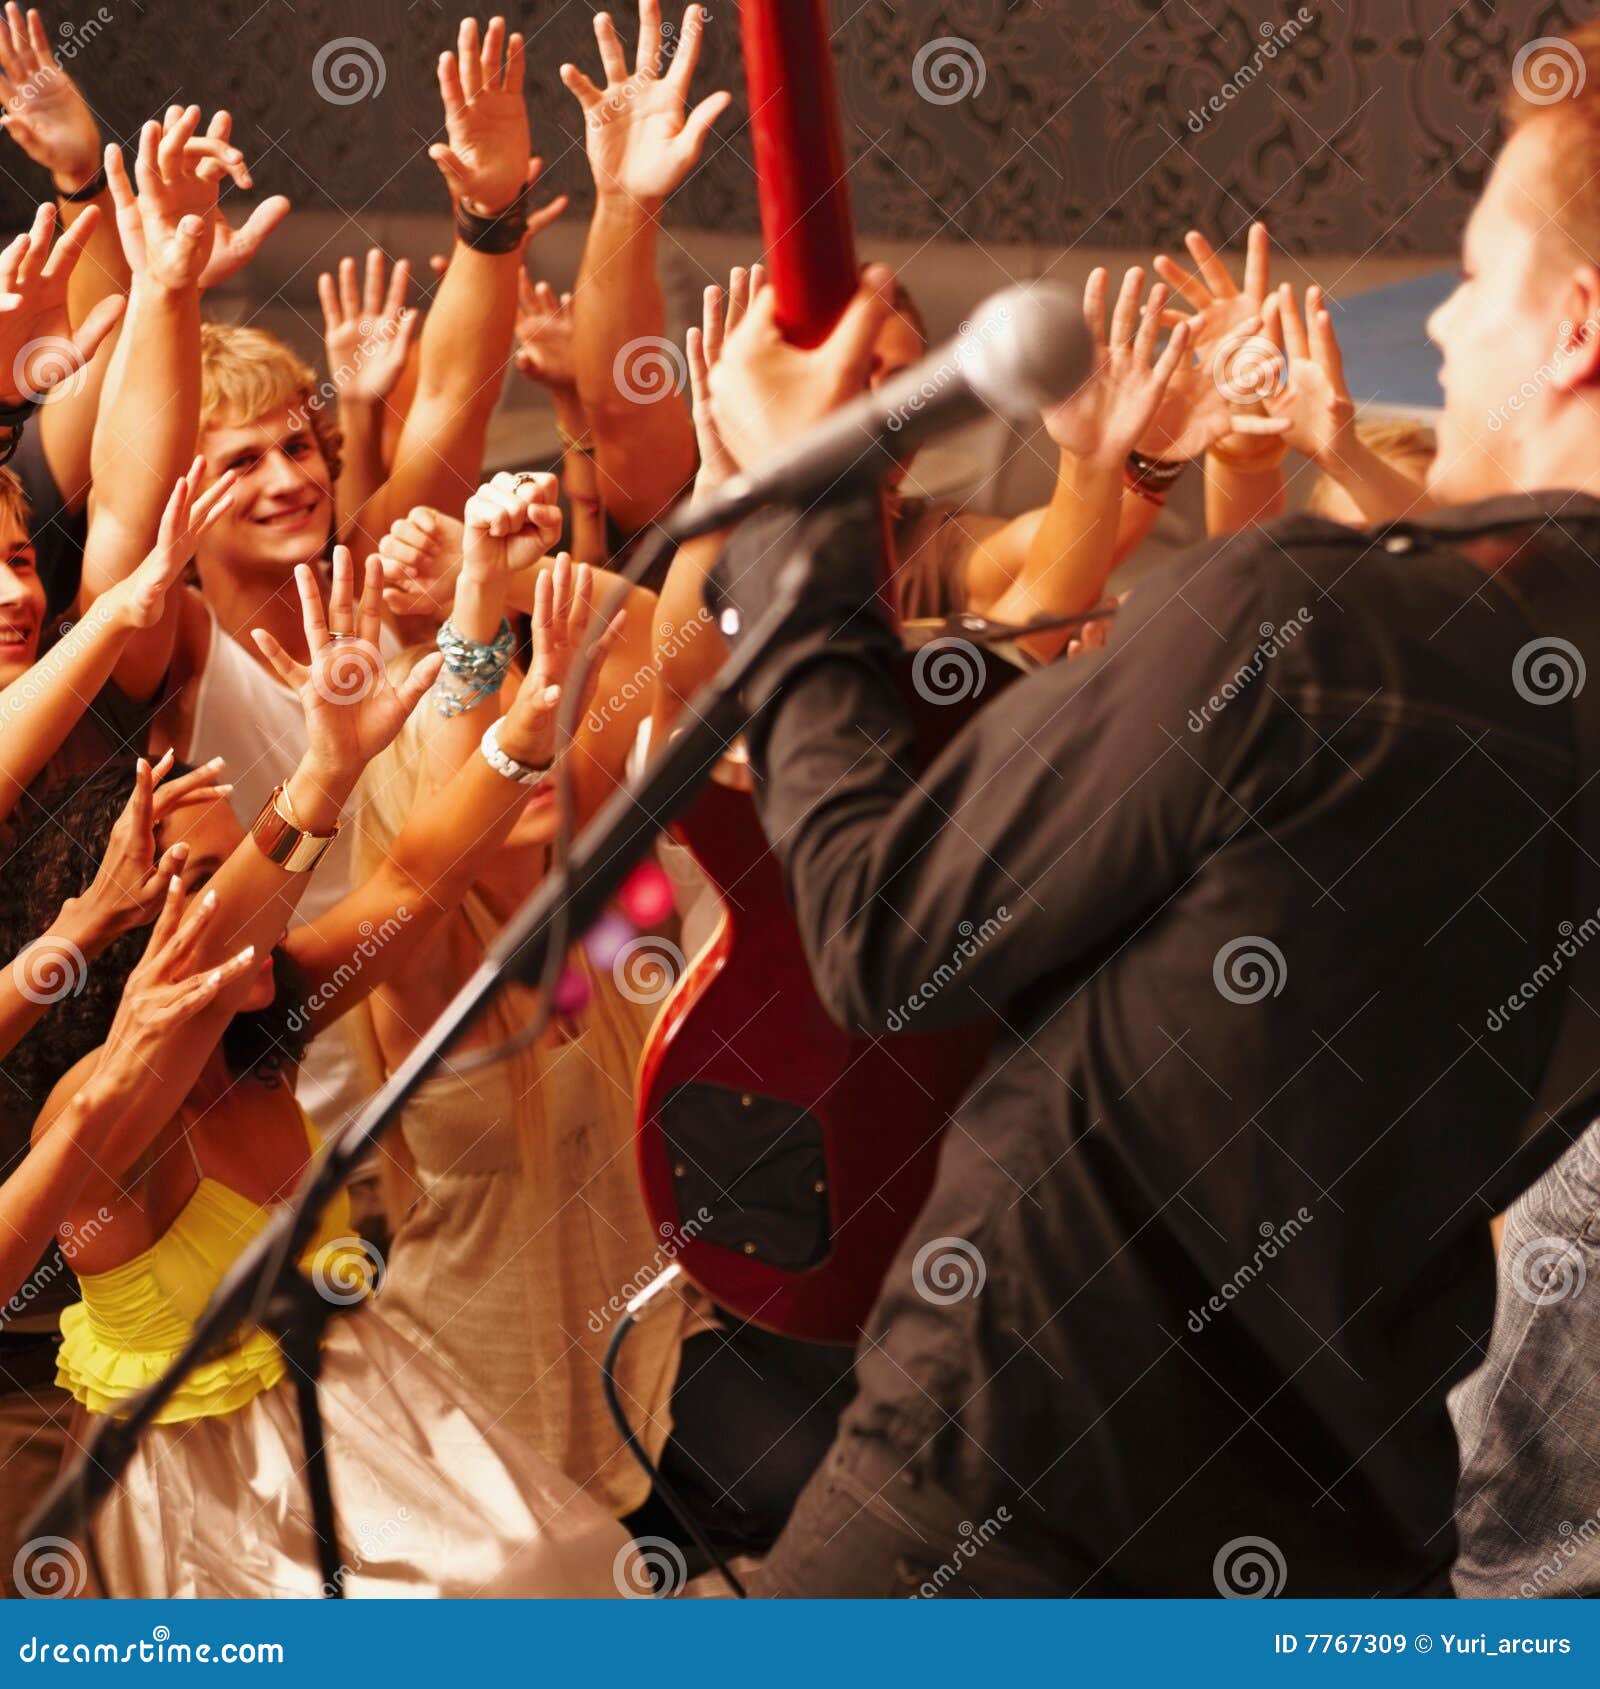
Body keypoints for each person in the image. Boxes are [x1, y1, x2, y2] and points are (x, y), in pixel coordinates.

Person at [682, 49, 1600, 1584]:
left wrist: (807, 497)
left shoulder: (1309, 634)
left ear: (1576, 328)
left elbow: (879, 931)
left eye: (1472, 274)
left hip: (1001, 1520)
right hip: (1336, 1558)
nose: (1439, 324)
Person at [1, 537, 634, 1596]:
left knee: (573, 1565)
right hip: (211, 1499)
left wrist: (520, 732)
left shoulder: (269, 1018)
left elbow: (419, 881)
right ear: (121, 928)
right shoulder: (100, 1101)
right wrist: (320, 781)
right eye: (198, 883)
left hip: (356, 1408)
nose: (258, 912)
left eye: (241, 862)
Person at [77, 19, 566, 1144]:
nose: (290, 477)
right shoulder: (171, 638)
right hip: (242, 1091)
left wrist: (488, 221)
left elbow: (452, 405)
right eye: (242, 462)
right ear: (189, 492)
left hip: (427, 1066)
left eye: (299, 446)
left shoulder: (371, 560)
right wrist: (166, 285)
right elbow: (117, 507)